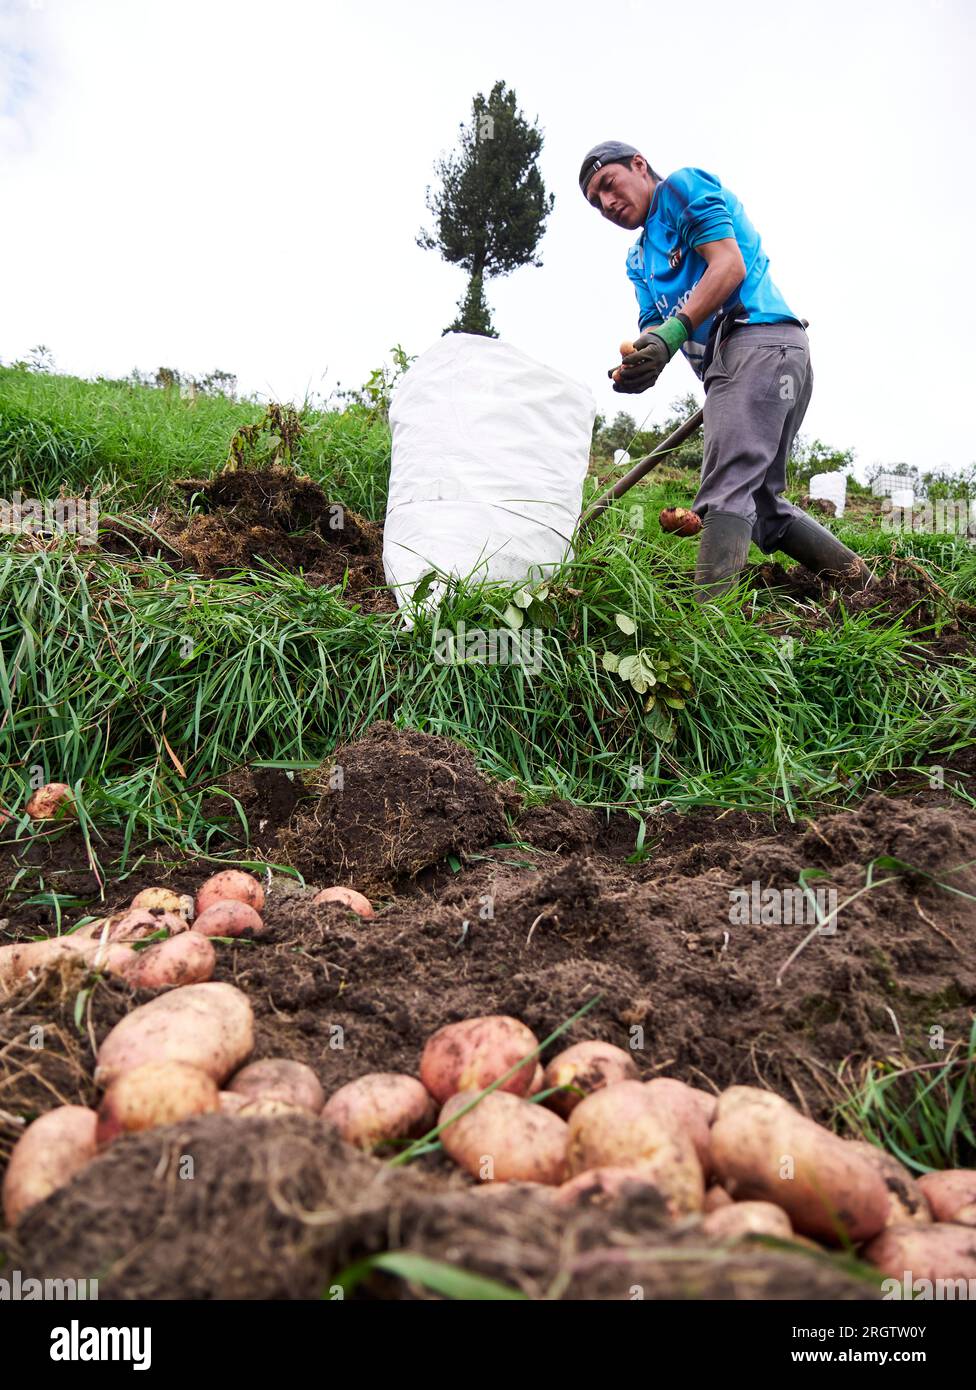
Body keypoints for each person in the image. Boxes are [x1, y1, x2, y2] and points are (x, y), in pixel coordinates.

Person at [579, 141, 867, 598]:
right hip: (753, 365)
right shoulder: (638, 261)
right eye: (596, 203)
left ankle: (708, 629)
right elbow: (654, 325)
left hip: (756, 342)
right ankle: (869, 587)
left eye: (609, 185)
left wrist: (669, 338)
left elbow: (728, 266)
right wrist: (644, 360)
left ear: (639, 165)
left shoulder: (680, 189)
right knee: (762, 507)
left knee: (726, 490)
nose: (607, 203)